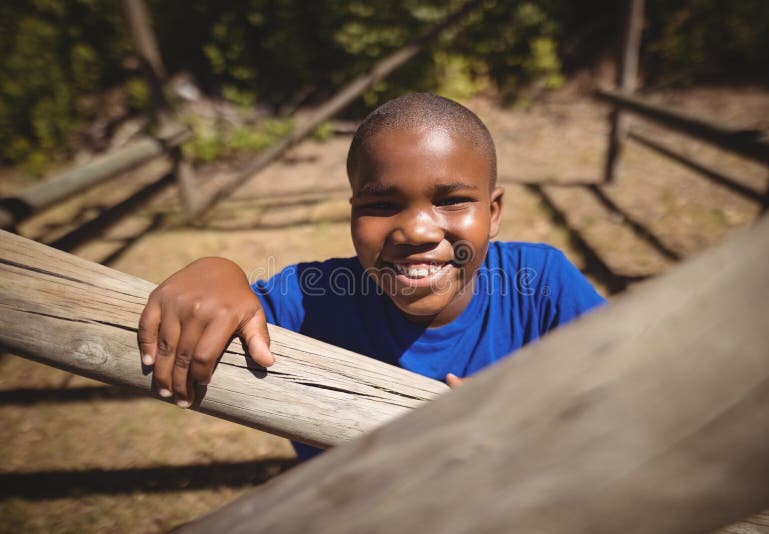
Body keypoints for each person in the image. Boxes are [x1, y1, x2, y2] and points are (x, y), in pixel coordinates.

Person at [137, 93, 605, 460]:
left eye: (452, 200)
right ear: (353, 213)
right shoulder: (314, 298)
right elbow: (232, 302)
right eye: (381, 205)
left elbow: (627, 378)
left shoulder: (541, 281)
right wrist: (215, 270)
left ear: (494, 211)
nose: (417, 230)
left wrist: (541, 417)